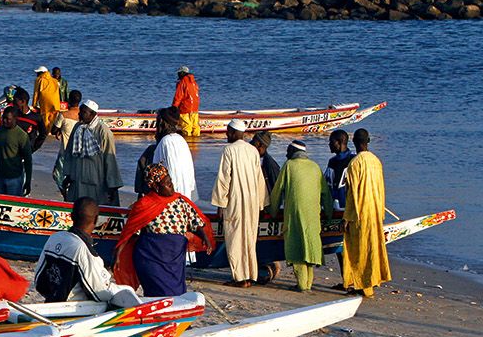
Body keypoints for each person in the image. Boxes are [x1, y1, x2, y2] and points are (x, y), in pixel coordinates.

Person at [113, 163, 216, 297]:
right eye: (167, 183)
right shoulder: (144, 205)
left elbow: (196, 222)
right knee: (156, 293)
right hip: (150, 257)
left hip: (175, 258)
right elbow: (131, 232)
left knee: (176, 293)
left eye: (170, 181)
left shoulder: (180, 201)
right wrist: (118, 254)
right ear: (155, 186)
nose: (171, 185)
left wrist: (206, 239)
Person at [32, 197, 138, 304]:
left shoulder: (55, 237)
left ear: (71, 216)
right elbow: (100, 293)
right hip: (71, 310)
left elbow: (39, 281)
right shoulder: (84, 250)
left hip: (50, 303)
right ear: (96, 220)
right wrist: (125, 289)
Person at [269, 140, 332, 292]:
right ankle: (308, 284)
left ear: (293, 151)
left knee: (297, 248)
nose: (286, 154)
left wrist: (272, 212)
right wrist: (329, 214)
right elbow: (326, 194)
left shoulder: (289, 166)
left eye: (288, 150)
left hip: (295, 215)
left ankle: (302, 285)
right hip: (313, 216)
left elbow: (277, 192)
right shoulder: (315, 167)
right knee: (310, 248)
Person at [210, 119, 264, 288]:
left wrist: (220, 203)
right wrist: (262, 203)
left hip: (235, 201)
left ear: (233, 132)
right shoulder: (253, 150)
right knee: (249, 238)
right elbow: (259, 179)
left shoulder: (229, 150)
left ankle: (239, 277)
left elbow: (224, 179)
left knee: (234, 239)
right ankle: (250, 275)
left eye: (228, 132)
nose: (226, 135)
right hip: (252, 202)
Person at [341, 128, 392, 298]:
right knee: (372, 248)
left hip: (360, 212)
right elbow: (382, 188)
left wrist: (347, 217)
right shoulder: (376, 161)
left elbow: (351, 193)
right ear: (368, 141)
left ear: (354, 142)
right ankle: (370, 282)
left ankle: (362, 284)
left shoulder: (355, 163)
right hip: (375, 211)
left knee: (359, 250)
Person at [53, 100, 122, 206]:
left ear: (93, 114)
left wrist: (112, 185)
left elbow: (110, 158)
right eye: (80, 111)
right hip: (77, 177)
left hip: (95, 179)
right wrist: (67, 174)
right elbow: (70, 153)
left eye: (84, 112)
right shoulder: (78, 128)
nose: (79, 114)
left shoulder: (103, 131)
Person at [151, 107, 196, 200]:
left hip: (174, 195)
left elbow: (172, 171)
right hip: (185, 193)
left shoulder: (167, 141)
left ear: (161, 123)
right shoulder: (180, 139)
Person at [325, 130, 356, 213]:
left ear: (339, 142)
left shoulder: (353, 160)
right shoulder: (332, 161)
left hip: (348, 206)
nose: (329, 144)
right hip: (335, 205)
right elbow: (327, 183)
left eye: (331, 142)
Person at [173, 65, 200, 139]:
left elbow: (178, 96)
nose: (177, 74)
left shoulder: (182, 82)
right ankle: (195, 144)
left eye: (179, 73)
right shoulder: (194, 82)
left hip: (185, 107)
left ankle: (188, 143)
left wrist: (174, 107)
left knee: (186, 126)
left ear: (182, 73)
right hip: (195, 108)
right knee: (195, 126)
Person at [31, 65, 60, 135]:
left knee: (45, 117)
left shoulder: (39, 80)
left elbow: (36, 93)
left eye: (38, 73)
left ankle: (46, 132)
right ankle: (50, 132)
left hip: (46, 102)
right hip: (56, 102)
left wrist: (34, 104)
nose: (36, 74)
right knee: (53, 118)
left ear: (41, 73)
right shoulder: (55, 80)